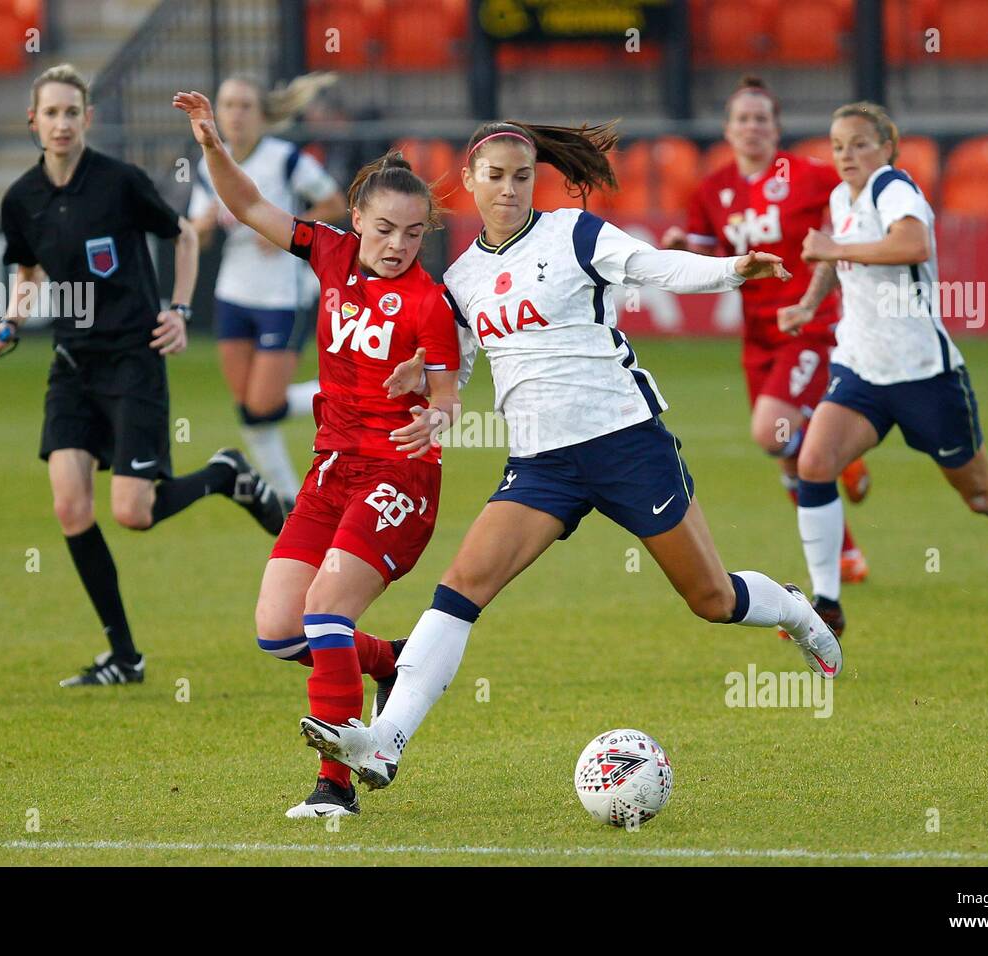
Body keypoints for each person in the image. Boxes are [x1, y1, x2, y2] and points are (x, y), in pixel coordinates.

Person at [298, 118, 845, 793]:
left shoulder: (573, 233)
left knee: (711, 597)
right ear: (469, 181)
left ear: (536, 180)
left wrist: (734, 270)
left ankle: (793, 609)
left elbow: (656, 265)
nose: (508, 189)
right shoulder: (462, 276)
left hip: (625, 441)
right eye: (494, 176)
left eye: (521, 176)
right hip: (540, 464)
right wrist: (425, 373)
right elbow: (463, 360)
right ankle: (386, 742)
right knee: (462, 588)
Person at [175, 90, 461, 817]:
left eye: (414, 233)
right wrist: (213, 146)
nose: (399, 245)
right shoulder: (328, 252)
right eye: (386, 228)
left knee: (326, 607)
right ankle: (392, 662)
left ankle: (335, 786)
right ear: (356, 218)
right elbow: (247, 206)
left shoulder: (429, 301)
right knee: (278, 632)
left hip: (401, 477)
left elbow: (449, 385)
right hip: (332, 472)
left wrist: (436, 407)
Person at [0, 64, 284, 688]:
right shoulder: (21, 199)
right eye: (51, 113)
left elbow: (180, 236)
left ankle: (225, 475)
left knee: (133, 513)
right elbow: (28, 273)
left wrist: (177, 310)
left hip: (132, 360)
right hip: (72, 365)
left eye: (73, 112)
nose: (62, 123)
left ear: (87, 118)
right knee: (71, 508)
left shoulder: (119, 182)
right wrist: (10, 323)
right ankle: (125, 657)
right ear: (33, 122)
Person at [778, 101, 988, 636]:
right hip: (861, 370)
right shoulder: (841, 196)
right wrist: (810, 304)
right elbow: (836, 258)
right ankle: (827, 603)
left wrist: (836, 245)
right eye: (837, 146)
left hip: (925, 374)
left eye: (859, 143)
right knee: (813, 463)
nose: (846, 155)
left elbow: (912, 243)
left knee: (981, 495)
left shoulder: (893, 188)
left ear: (886, 147)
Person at [662, 75, 870, 586]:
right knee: (783, 450)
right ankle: (845, 549)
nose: (751, 127)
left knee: (770, 431)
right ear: (728, 130)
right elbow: (709, 259)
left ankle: (838, 463)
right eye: (742, 119)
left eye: (761, 118)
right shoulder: (712, 190)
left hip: (809, 324)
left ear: (776, 129)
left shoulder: (809, 175)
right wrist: (680, 246)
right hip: (757, 336)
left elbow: (861, 195)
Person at [188, 72, 347, 504]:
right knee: (249, 409)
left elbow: (336, 203)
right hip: (233, 293)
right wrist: (200, 227)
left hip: (283, 294)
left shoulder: (284, 159)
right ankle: (289, 498)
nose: (235, 115)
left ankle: (349, 390)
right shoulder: (209, 164)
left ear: (262, 116)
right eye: (228, 105)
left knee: (263, 403)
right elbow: (197, 235)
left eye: (245, 106)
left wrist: (288, 231)